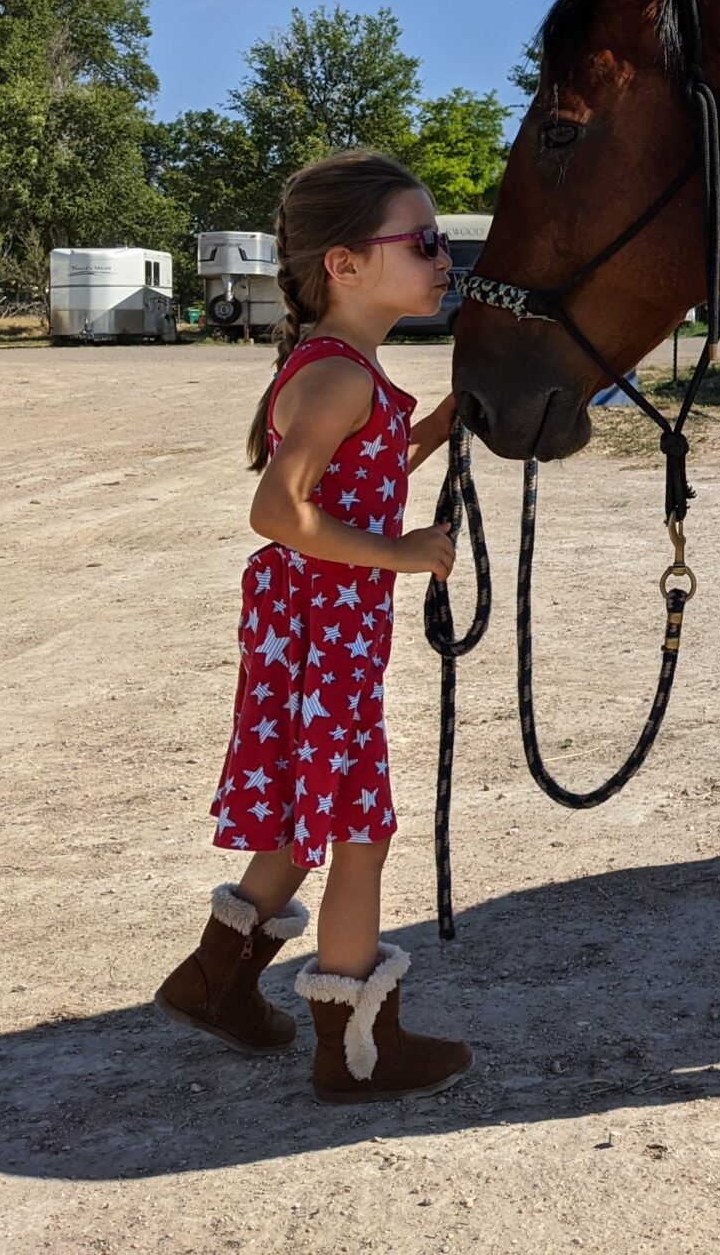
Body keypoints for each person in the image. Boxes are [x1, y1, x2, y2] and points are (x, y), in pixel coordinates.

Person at [155, 149, 472, 1102]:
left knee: (311, 809)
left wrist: (449, 420)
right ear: (343, 264)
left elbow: (361, 478)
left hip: (316, 633)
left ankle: (214, 984)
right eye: (421, 242)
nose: (441, 257)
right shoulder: (338, 379)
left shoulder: (345, 370)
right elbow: (280, 512)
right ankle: (355, 1050)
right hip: (323, 638)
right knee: (359, 826)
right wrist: (406, 555)